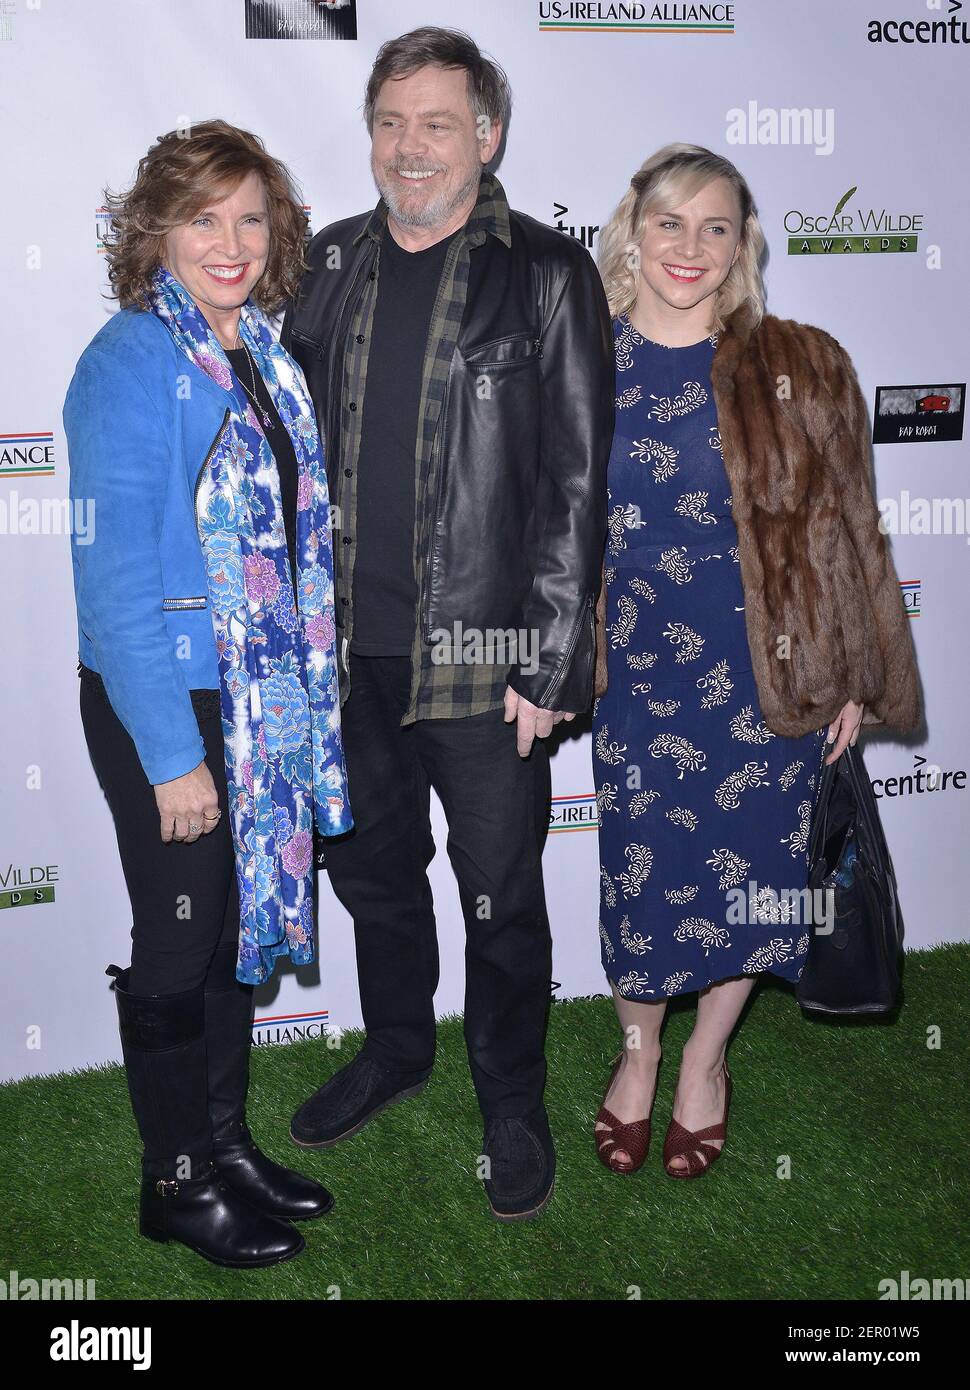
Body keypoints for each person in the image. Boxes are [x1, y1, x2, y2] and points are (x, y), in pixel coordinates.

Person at [282, 27, 614, 1221]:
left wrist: (554, 652)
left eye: (436, 123)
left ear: (488, 135)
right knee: (375, 875)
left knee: (501, 894)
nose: (409, 148)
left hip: (485, 662)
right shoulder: (324, 264)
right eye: (390, 122)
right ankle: (395, 1046)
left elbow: (578, 481)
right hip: (344, 657)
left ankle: (509, 1098)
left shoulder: (547, 274)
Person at [590, 144, 921, 1178]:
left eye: (715, 227)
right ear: (631, 233)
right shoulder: (576, 359)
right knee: (641, 880)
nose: (690, 248)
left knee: (754, 885)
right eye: (669, 223)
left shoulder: (799, 361)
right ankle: (637, 1049)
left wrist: (855, 673)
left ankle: (706, 1060)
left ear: (742, 246)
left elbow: (850, 532)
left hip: (767, 680)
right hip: (637, 676)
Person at [64, 120, 351, 1265]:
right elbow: (117, 579)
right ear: (155, 232)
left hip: (256, 698)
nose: (230, 241)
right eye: (203, 218)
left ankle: (222, 1144)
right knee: (178, 947)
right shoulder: (132, 359)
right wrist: (169, 756)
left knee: (231, 930)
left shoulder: (258, 352)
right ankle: (172, 1183)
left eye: (249, 216)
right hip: (171, 706)